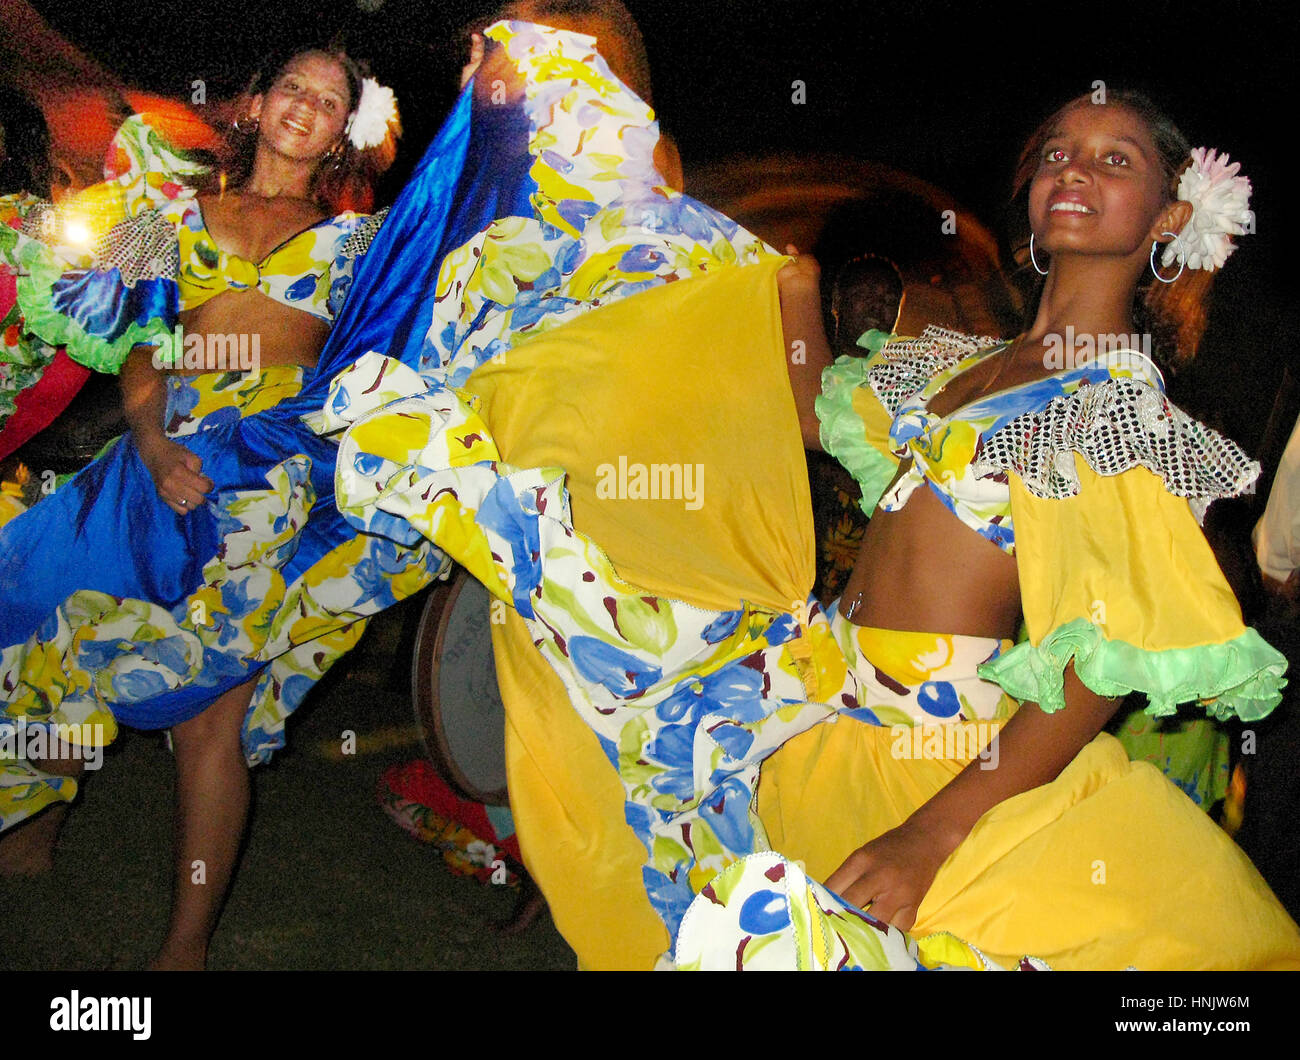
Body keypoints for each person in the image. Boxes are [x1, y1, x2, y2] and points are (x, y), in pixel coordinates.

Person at [0, 44, 429, 971]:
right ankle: (37, 813)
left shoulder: (371, 242)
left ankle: (184, 947)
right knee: (60, 639)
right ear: (259, 100)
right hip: (161, 446)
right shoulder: (164, 210)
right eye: (292, 88)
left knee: (211, 716)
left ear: (344, 129)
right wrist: (153, 444)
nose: (305, 108)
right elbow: (140, 342)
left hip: (268, 473)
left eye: (329, 100)